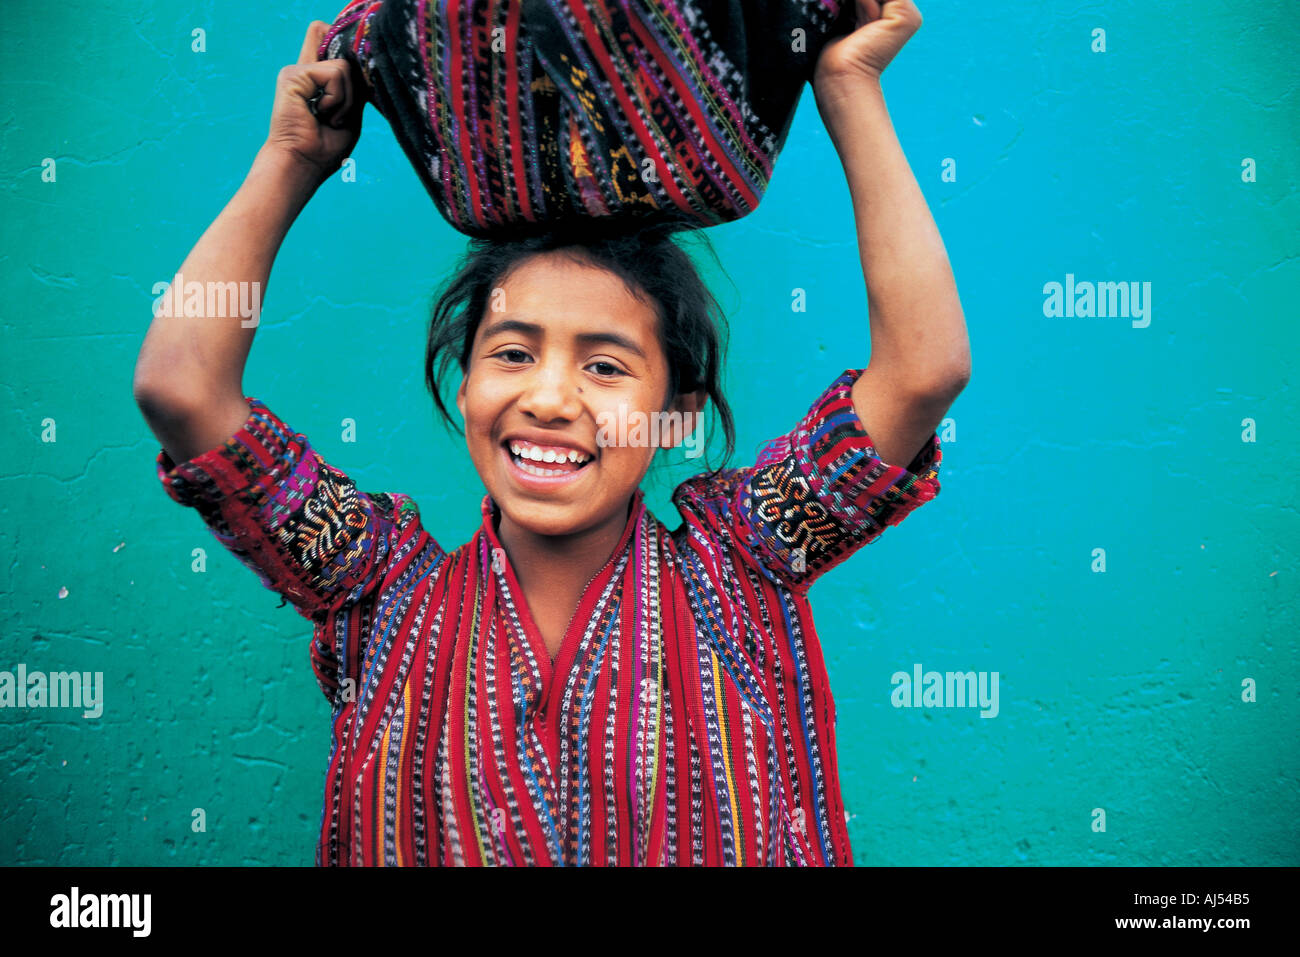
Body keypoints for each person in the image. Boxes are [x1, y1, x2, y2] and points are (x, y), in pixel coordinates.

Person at [133, 0, 969, 865]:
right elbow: (180, 388)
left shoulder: (742, 567)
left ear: (677, 414)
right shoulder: (376, 592)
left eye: (605, 366)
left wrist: (849, 87)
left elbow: (922, 372)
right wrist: (291, 161)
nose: (551, 397)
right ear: (465, 390)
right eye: (512, 353)